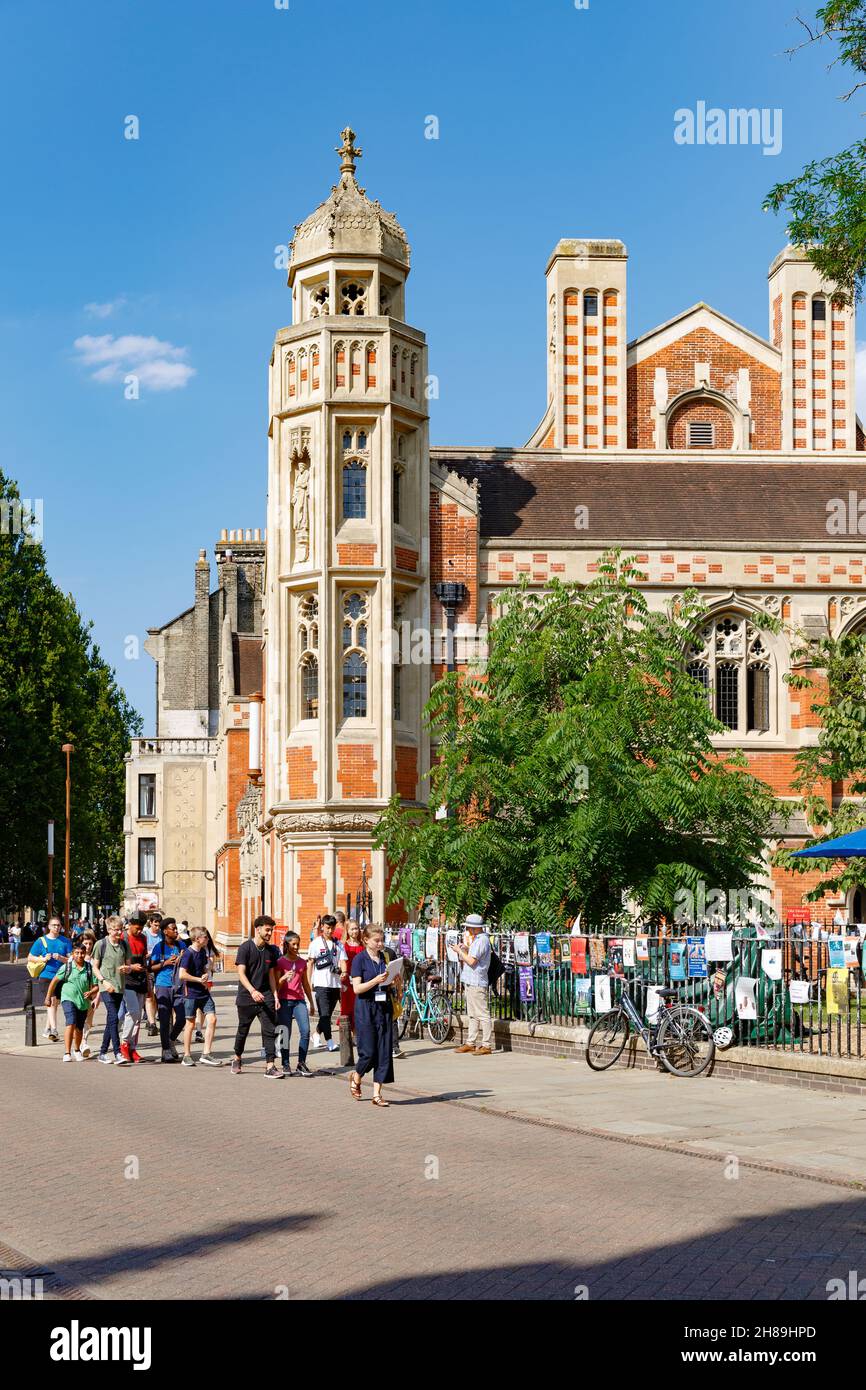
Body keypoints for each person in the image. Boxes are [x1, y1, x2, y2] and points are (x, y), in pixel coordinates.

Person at [349, 926, 396, 1107]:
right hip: (365, 1007)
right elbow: (357, 988)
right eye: (377, 940)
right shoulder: (359, 960)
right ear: (366, 940)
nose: (380, 944)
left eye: (382, 940)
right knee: (368, 1052)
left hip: (383, 1007)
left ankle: (377, 1094)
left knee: (384, 1052)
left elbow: (386, 983)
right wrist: (376, 980)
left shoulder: (384, 958)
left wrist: (393, 980)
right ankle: (357, 1075)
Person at [232, 916, 282, 1078]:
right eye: (267, 930)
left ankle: (270, 1065)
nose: (270, 933)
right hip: (247, 996)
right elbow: (241, 973)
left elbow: (272, 976)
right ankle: (237, 1058)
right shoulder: (245, 948)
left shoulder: (271, 951)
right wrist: (252, 991)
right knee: (243, 1030)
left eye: (271, 930)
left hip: (266, 995)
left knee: (269, 1031)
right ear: (258, 929)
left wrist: (275, 996)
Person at [46, 940, 99, 1062]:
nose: (79, 955)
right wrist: (48, 997)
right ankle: (67, 1052)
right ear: (72, 954)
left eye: (82, 953)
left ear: (85, 953)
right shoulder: (67, 967)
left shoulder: (89, 968)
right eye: (77, 953)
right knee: (71, 1022)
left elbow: (96, 986)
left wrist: (91, 993)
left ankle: (77, 1050)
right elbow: (54, 981)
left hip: (83, 1002)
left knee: (79, 1028)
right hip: (68, 998)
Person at [178, 927, 222, 1067]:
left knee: (212, 1019)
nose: (208, 939)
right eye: (205, 937)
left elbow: (203, 969)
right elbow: (182, 975)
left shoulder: (202, 952)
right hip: (190, 993)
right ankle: (186, 1055)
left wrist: (206, 972)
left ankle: (206, 1053)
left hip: (203, 992)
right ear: (198, 939)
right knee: (190, 1024)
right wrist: (198, 979)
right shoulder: (188, 954)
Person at [92, 916, 132, 1064]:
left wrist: (127, 968)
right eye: (115, 930)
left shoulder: (124, 945)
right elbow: (95, 967)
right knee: (114, 1017)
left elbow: (129, 966)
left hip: (120, 986)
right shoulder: (100, 944)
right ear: (109, 930)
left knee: (111, 1020)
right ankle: (117, 1053)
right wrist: (103, 981)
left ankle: (102, 1052)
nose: (118, 932)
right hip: (106, 986)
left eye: (120, 929)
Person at [452, 913, 493, 1055]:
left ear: (475, 928)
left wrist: (459, 951)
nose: (467, 929)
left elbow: (472, 961)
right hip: (470, 980)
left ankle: (486, 1045)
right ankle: (471, 1042)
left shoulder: (482, 940)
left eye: (469, 927)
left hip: (477, 981)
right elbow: (474, 956)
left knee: (482, 1014)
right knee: (472, 1014)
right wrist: (466, 950)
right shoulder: (477, 940)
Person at [276, 930, 315, 1076]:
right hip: (284, 1000)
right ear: (287, 944)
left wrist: (310, 1002)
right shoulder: (280, 962)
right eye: (293, 944)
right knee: (285, 1032)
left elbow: (305, 984)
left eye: (298, 944)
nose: (296, 947)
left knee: (305, 1031)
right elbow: (276, 985)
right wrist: (284, 977)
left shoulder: (301, 962)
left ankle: (301, 1063)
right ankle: (285, 1063)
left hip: (299, 1001)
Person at [28, 916, 72, 1042]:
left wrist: (61, 958)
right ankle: (54, 1030)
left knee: (55, 1004)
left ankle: (46, 1030)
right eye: (54, 925)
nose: (57, 927)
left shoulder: (65, 941)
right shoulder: (41, 941)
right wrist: (42, 959)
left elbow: (71, 960)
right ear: (48, 926)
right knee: (52, 1001)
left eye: (58, 925)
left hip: (60, 976)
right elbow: (30, 957)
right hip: (45, 976)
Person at [149, 919, 184, 1063]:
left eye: (176, 929)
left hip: (178, 985)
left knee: (182, 1017)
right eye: (173, 929)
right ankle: (166, 1050)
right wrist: (166, 963)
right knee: (164, 1019)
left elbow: (189, 961)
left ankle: (171, 1040)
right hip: (163, 985)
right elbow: (151, 967)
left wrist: (182, 958)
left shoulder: (181, 945)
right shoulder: (159, 947)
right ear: (165, 931)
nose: (176, 931)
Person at [307, 915, 341, 1052]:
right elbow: (310, 963)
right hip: (321, 983)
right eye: (327, 927)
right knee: (325, 1014)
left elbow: (342, 961)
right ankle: (330, 1041)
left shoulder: (338, 944)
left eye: (332, 928)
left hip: (335, 984)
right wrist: (309, 983)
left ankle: (316, 1034)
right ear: (322, 927)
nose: (330, 930)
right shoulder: (315, 943)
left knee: (325, 1015)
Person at [118, 915, 149, 1063]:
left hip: (141, 979)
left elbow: (143, 959)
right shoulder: (122, 937)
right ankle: (124, 1043)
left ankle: (132, 1048)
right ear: (130, 924)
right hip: (127, 979)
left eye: (142, 928)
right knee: (133, 1012)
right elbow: (118, 961)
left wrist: (148, 984)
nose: (139, 931)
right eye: (137, 928)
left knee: (137, 1018)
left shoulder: (143, 938)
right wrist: (131, 967)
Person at [338, 920, 365, 1038]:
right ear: (347, 931)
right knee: (346, 1007)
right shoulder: (343, 945)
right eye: (352, 929)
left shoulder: (362, 945)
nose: (355, 931)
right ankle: (345, 1034)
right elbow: (341, 961)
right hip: (346, 980)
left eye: (356, 928)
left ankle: (355, 1033)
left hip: (358, 980)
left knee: (357, 1007)